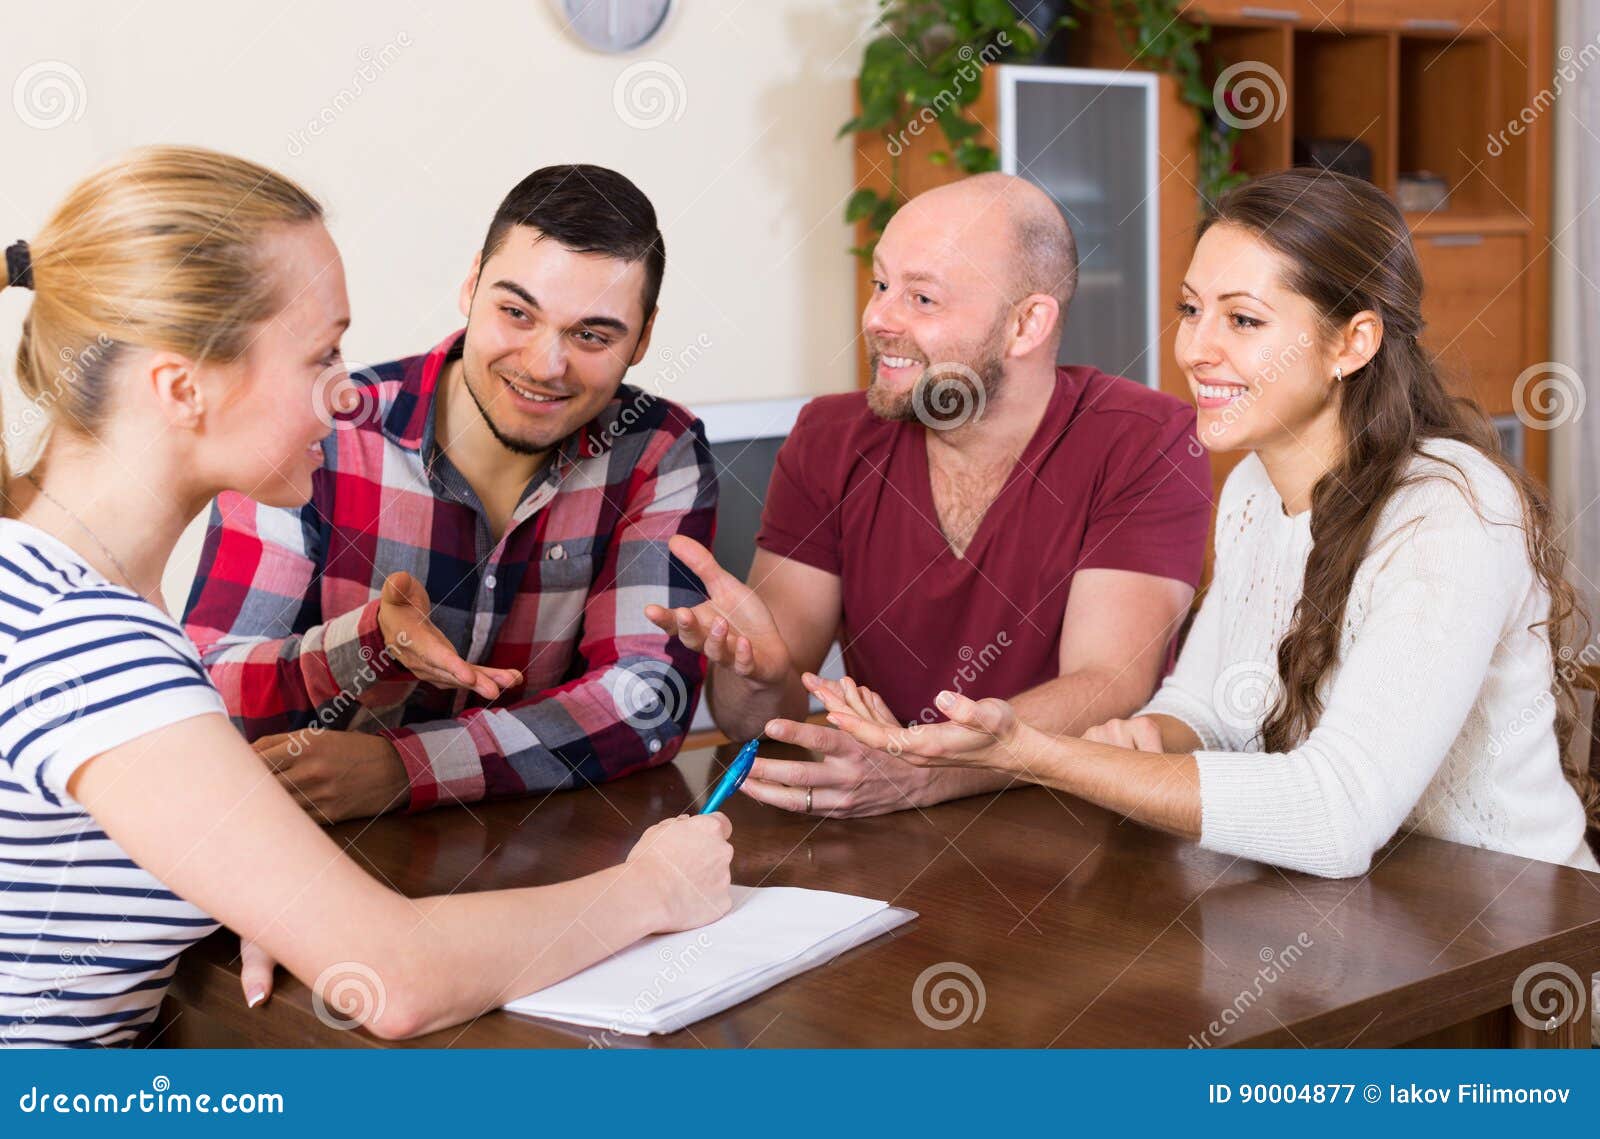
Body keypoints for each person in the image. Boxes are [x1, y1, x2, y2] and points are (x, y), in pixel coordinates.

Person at [0, 147, 732, 1048]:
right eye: (322, 354)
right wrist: (656, 887)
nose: (346, 394)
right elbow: (397, 980)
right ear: (183, 388)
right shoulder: (88, 642)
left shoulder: (45, 589)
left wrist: (263, 890)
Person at [819, 168, 1600, 890]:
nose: (1195, 348)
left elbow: (1336, 816)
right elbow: (1206, 710)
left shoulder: (1452, 512)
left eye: (1244, 319)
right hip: (1362, 918)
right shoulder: (1257, 487)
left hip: (1510, 936)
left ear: (1352, 342)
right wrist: (1137, 742)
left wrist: (1038, 751)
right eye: (1192, 309)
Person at [647, 172, 1212, 818]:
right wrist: (754, 672)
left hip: (1079, 829)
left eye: (922, 299)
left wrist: (925, 766)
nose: (878, 318)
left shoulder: (1148, 440)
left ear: (1026, 324)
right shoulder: (827, 438)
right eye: (882, 285)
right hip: (882, 820)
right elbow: (758, 717)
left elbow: (1107, 683)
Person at [182, 164, 715, 822]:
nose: (545, 365)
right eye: (517, 312)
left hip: (539, 853)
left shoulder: (657, 452)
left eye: (592, 335)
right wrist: (367, 641)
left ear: (644, 337)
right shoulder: (320, 430)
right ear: (471, 285)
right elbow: (204, 693)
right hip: (309, 859)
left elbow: (644, 698)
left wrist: (407, 766)